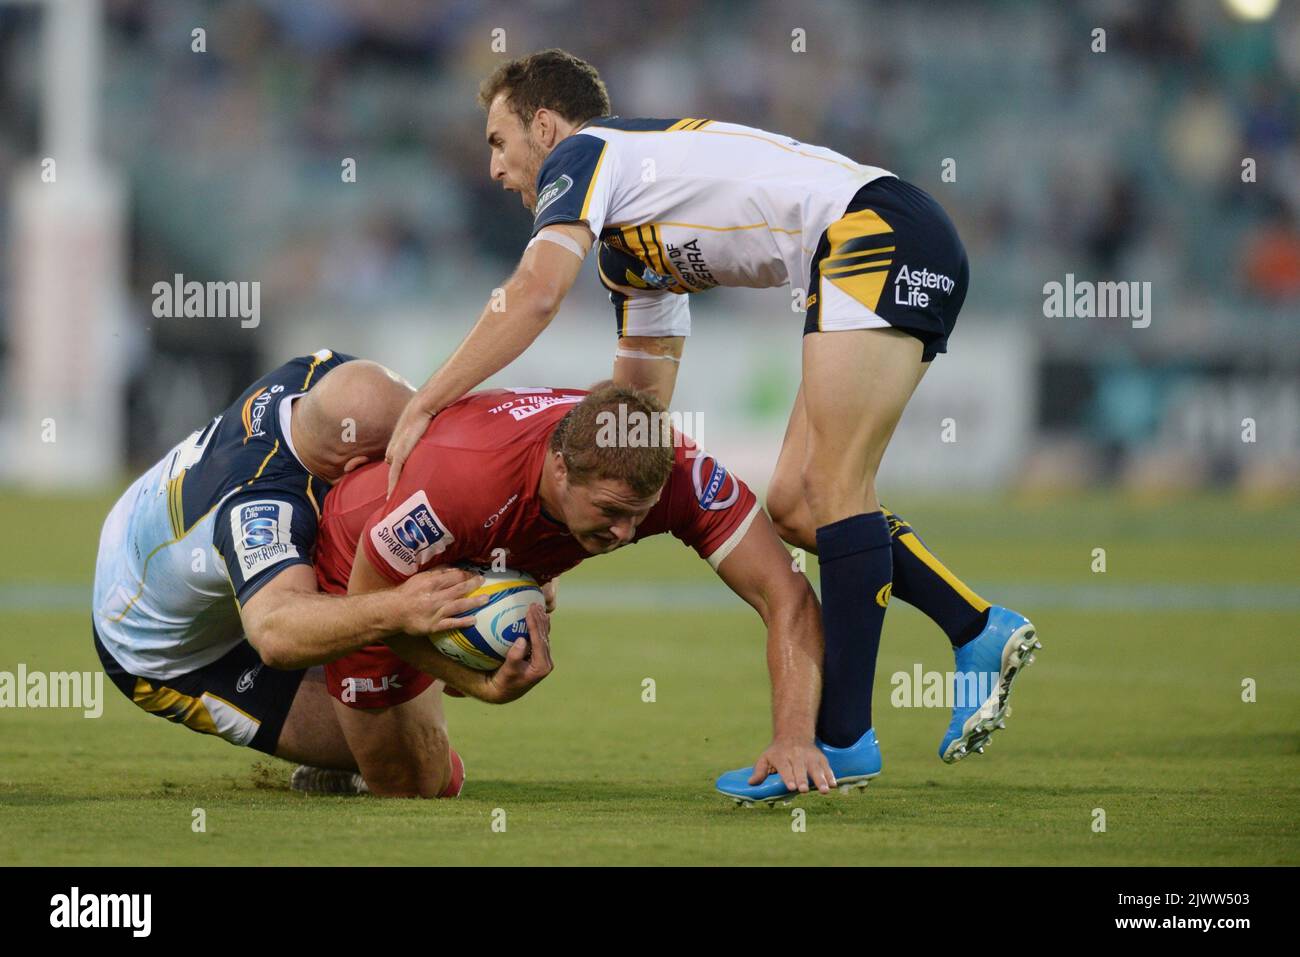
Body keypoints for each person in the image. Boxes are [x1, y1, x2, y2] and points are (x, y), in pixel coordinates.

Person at [383, 50, 1040, 803]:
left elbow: (534, 295)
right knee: (795, 503)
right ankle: (975, 627)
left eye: (498, 142)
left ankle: (844, 740)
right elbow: (635, 428)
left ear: (543, 125)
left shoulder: (585, 152)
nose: (495, 168)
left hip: (880, 233)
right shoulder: (631, 254)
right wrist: (543, 553)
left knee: (831, 487)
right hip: (866, 246)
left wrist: (428, 399)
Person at [312, 384, 834, 799]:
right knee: (412, 788)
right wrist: (480, 686)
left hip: (483, 550)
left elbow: (785, 595)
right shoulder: (461, 483)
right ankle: (244, 694)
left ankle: (358, 725)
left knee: (412, 762)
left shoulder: (678, 473)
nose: (625, 534)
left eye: (640, 514)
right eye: (609, 511)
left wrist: (794, 737)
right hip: (362, 551)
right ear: (560, 468)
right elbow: (375, 611)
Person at [91, 350, 489, 791]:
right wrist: (403, 611)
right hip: (161, 648)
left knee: (375, 552)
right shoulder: (262, 513)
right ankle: (338, 765)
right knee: (420, 774)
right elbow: (276, 634)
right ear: (358, 467)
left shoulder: (319, 372)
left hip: (160, 530)